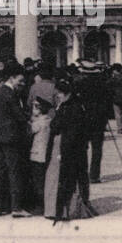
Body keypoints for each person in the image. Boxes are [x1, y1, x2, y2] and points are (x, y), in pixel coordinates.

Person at [46, 79, 96, 221]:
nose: (57, 97)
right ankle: (81, 206)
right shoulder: (79, 105)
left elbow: (56, 126)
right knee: (80, 179)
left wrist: (63, 152)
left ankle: (68, 210)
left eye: (59, 94)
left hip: (70, 148)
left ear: (66, 93)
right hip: (79, 148)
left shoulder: (67, 107)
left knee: (68, 180)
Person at [0, 61, 29, 217]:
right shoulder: (11, 94)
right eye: (20, 80)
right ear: (12, 78)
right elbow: (19, 116)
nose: (22, 83)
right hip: (10, 138)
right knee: (14, 171)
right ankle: (16, 207)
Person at [77, 62, 114, 182]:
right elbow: (108, 102)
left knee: (82, 148)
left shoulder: (79, 84)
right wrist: (105, 116)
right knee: (97, 148)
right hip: (99, 119)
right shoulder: (103, 85)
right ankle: (94, 175)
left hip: (83, 119)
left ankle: (82, 174)